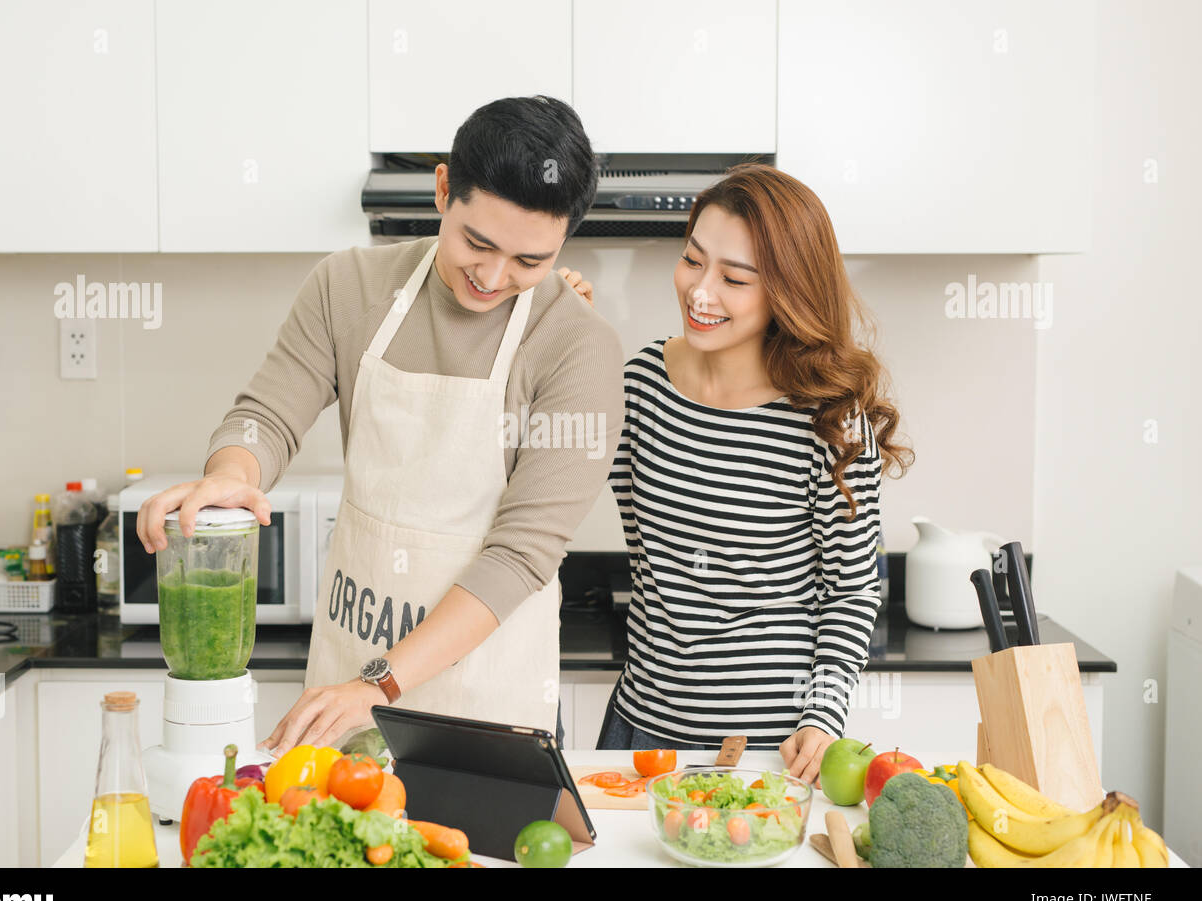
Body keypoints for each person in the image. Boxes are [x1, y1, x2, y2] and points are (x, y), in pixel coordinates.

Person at [136, 96, 623, 753]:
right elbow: (268, 414)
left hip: (482, 702)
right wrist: (231, 474)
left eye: (529, 262)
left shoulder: (577, 345)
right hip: (346, 684)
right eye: (476, 242)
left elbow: (521, 553)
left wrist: (380, 685)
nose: (492, 276)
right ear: (444, 188)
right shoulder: (349, 285)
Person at [578, 163, 912, 785]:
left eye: (734, 278)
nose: (701, 292)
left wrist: (823, 713)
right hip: (639, 736)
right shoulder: (642, 383)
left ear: (787, 292)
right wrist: (559, 338)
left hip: (769, 751)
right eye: (692, 260)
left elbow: (853, 589)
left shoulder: (832, 419)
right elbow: (542, 483)